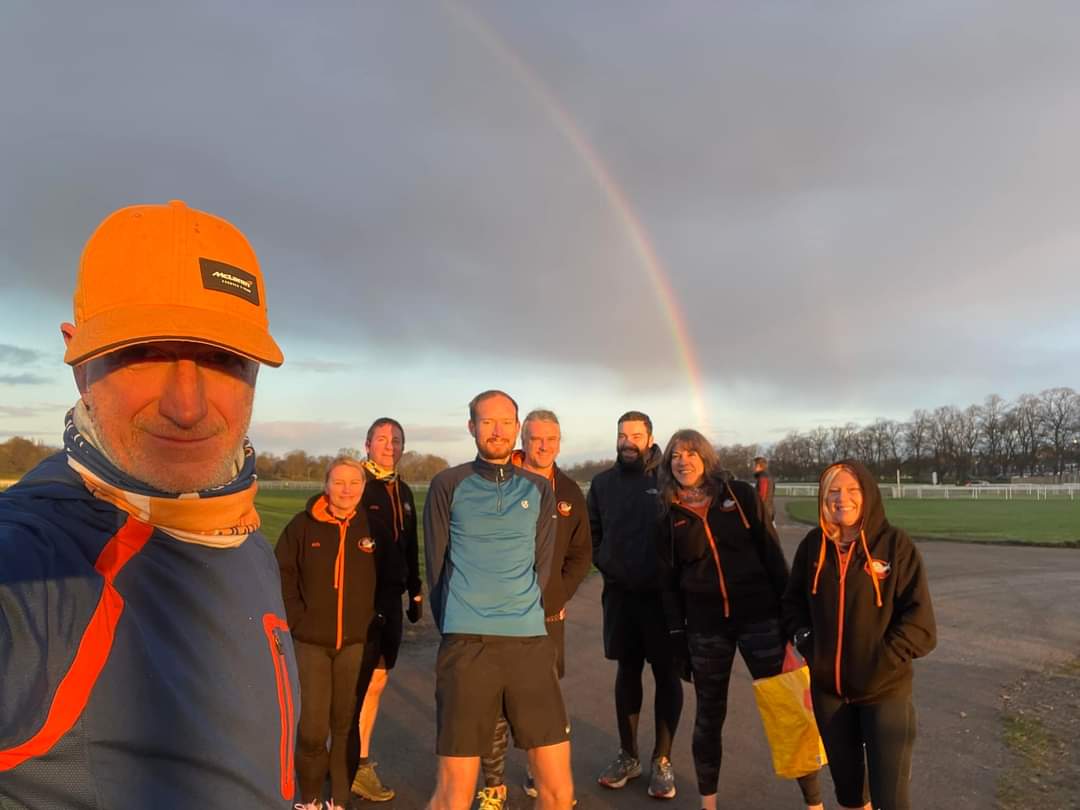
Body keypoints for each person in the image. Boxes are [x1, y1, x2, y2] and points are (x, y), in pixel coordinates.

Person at [0, 200, 298, 808]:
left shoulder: (243, 534)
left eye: (223, 359)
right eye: (143, 352)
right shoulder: (41, 561)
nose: (186, 406)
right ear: (80, 364)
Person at [656, 430, 824, 810]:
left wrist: (789, 618)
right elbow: (668, 583)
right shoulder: (667, 514)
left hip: (761, 619)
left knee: (788, 708)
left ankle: (814, 803)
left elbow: (772, 555)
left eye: (691, 453)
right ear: (668, 465)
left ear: (706, 458)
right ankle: (709, 803)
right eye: (675, 455)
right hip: (706, 628)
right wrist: (677, 638)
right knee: (709, 716)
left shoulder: (740, 496)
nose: (683, 461)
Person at [424, 390, 574, 810]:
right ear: (471, 427)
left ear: (517, 428)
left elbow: (542, 566)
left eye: (506, 421)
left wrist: (521, 614)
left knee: (558, 792)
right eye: (487, 421)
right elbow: (436, 567)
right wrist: (459, 625)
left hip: (528, 644)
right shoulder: (447, 484)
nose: (497, 430)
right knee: (453, 793)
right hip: (467, 646)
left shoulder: (538, 489)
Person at [782, 460, 936, 810]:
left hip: (885, 692)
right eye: (834, 491)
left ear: (867, 494)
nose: (843, 498)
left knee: (890, 800)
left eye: (852, 490)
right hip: (830, 694)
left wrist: (881, 661)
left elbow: (921, 625)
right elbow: (792, 603)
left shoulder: (895, 545)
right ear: (823, 498)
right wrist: (807, 643)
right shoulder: (813, 545)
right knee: (850, 794)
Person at [479, 409, 592, 807]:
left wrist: (557, 596)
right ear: (523, 440)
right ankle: (494, 785)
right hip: (496, 612)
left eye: (551, 439)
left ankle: (536, 770)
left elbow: (581, 554)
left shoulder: (569, 491)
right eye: (536, 438)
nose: (544, 446)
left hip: (545, 615)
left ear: (560, 442)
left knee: (540, 698)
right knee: (494, 700)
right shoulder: (496, 480)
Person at [588, 410, 683, 799]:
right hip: (621, 598)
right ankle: (629, 756)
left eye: (636, 436)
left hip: (663, 601)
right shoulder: (602, 483)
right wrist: (608, 563)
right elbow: (593, 534)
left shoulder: (668, 479)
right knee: (627, 673)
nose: (628, 442)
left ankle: (663, 759)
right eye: (622, 436)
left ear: (650, 438)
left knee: (666, 676)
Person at [276, 457, 379, 810]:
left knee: (345, 727)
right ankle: (310, 800)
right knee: (312, 731)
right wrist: (297, 619)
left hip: (355, 644)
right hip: (311, 644)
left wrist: (373, 622)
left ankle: (339, 800)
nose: (346, 490)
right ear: (326, 485)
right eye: (338, 482)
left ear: (363, 487)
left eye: (354, 482)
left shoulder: (373, 527)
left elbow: (390, 577)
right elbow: (282, 573)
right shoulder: (302, 526)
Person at [349, 417, 423, 803]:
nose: (389, 446)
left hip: (391, 600)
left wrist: (415, 591)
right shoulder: (356, 484)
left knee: (377, 680)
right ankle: (344, 761)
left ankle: (358, 760)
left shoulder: (404, 490)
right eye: (381, 439)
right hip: (360, 600)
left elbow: (410, 545)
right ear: (367, 445)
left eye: (396, 440)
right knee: (352, 683)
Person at [753, 456, 775, 526]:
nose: (753, 467)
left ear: (759, 466)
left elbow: (762, 497)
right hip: (767, 511)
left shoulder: (763, 478)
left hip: (763, 513)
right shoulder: (766, 476)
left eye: (754, 465)